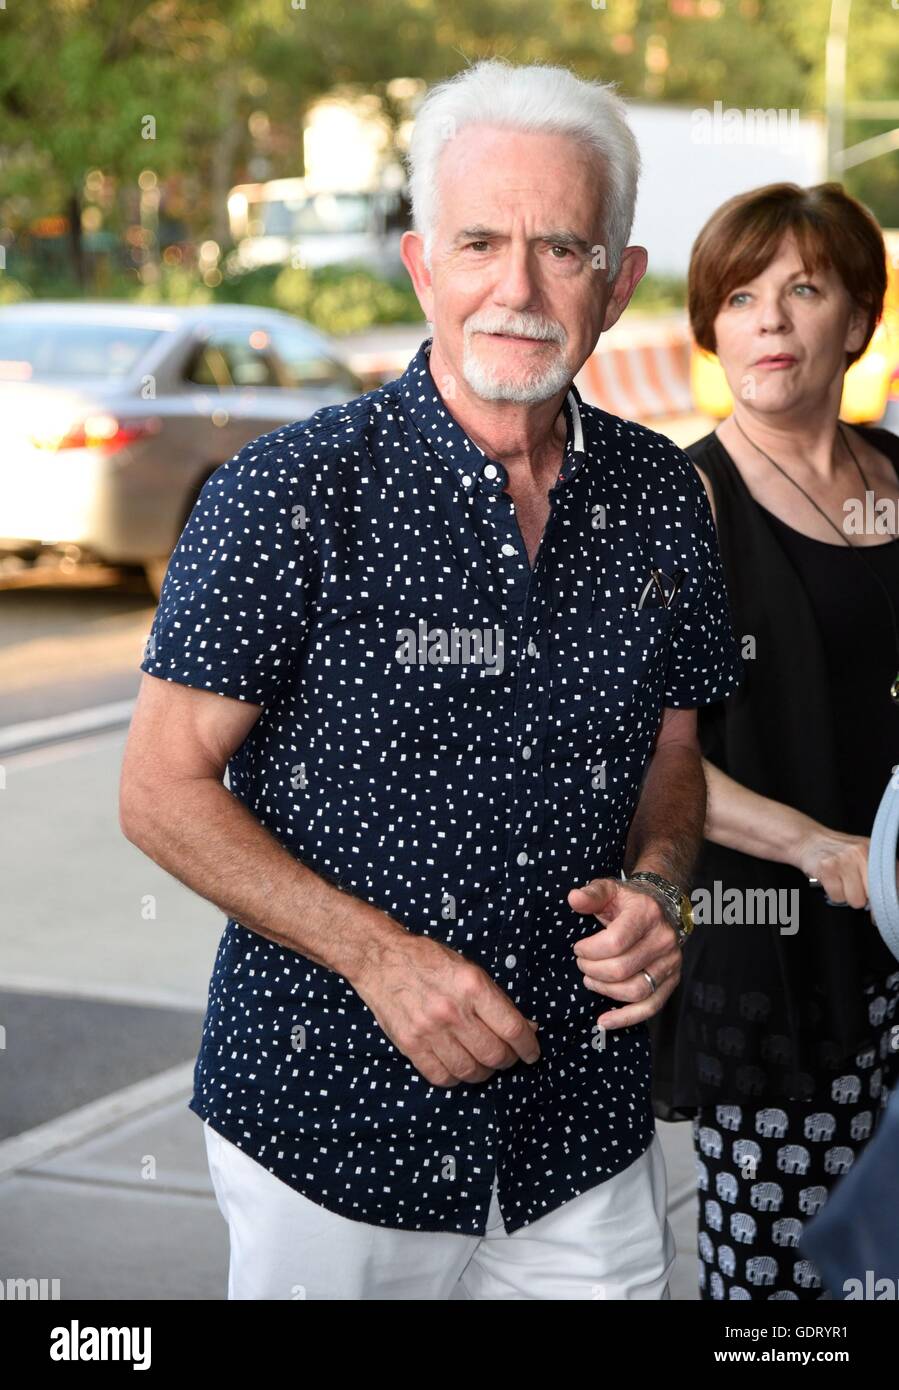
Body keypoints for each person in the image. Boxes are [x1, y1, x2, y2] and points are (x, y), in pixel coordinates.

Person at [119, 58, 742, 1301]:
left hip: (582, 1138)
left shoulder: (664, 497)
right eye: (478, 243)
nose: (516, 290)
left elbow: (675, 750)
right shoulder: (285, 496)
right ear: (420, 265)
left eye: (561, 249)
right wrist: (378, 957)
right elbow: (158, 788)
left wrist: (660, 886)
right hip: (327, 1136)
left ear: (618, 282)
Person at [648, 182, 899, 1301]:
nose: (768, 321)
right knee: (778, 1286)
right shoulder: (682, 503)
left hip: (898, 920)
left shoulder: (895, 474)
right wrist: (817, 846)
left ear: (857, 320)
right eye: (739, 297)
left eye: (802, 290)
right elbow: (638, 748)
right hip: (777, 952)